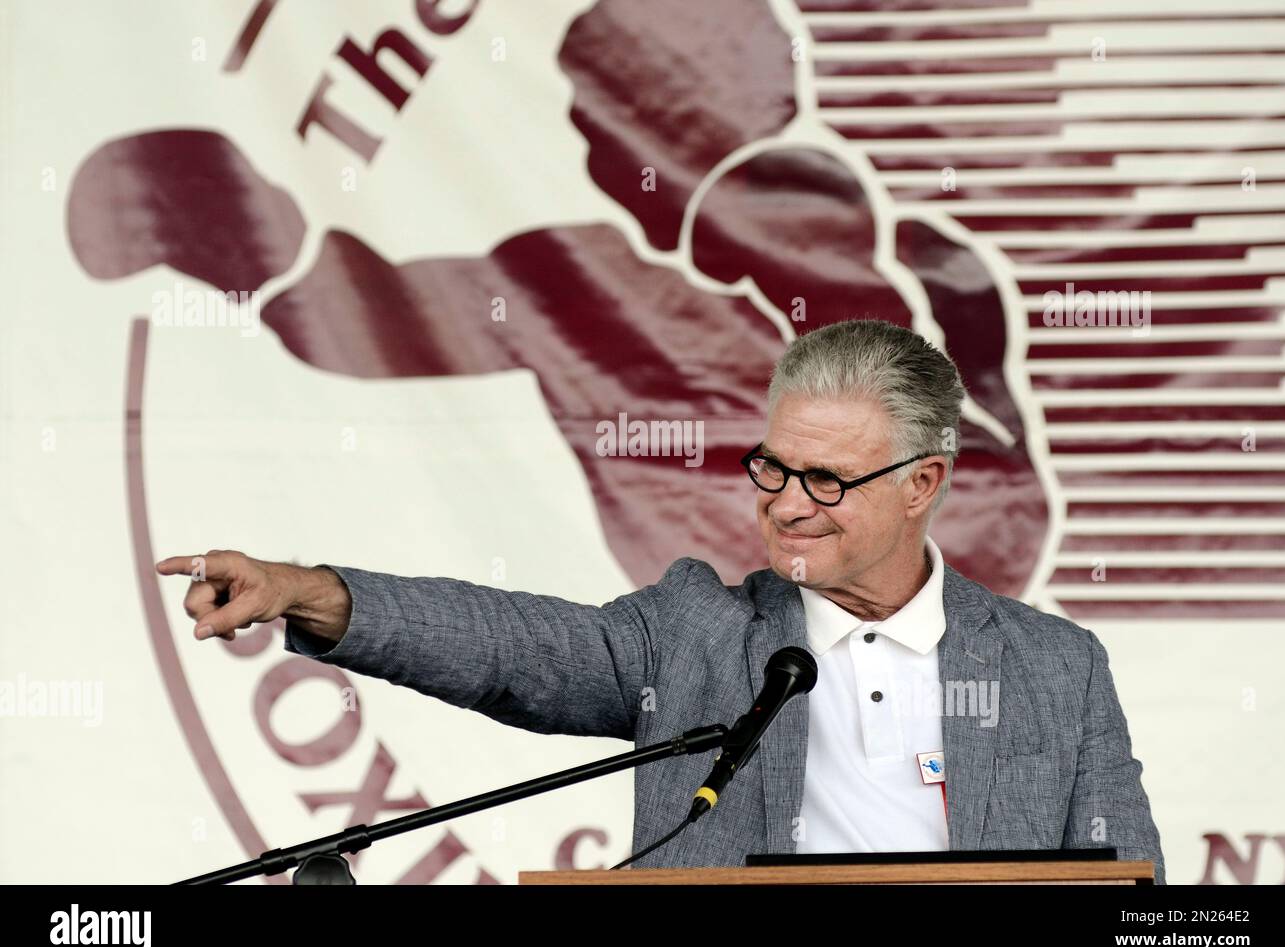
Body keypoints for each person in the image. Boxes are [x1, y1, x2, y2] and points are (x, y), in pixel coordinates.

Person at [156, 318, 1165, 882]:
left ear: (923, 483)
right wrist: (314, 592)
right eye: (772, 467)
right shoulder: (698, 633)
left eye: (826, 479)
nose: (785, 505)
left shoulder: (1052, 666)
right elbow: (514, 647)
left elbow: (1132, 894)